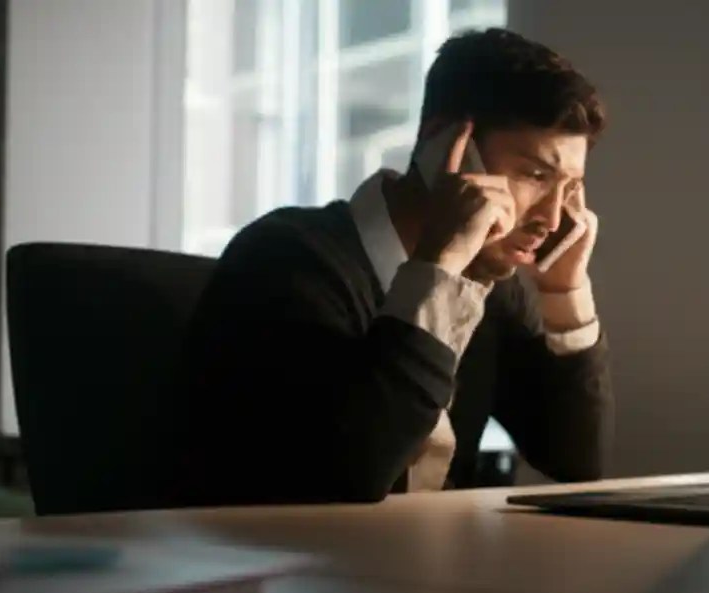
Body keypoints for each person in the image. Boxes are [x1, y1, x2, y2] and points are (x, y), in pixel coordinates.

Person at [163, 28, 612, 505]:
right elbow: (346, 477)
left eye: (569, 187)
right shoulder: (287, 259)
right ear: (443, 146)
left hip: (424, 565)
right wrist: (438, 270)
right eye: (535, 175)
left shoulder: (492, 288)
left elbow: (576, 461)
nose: (552, 217)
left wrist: (566, 293)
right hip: (293, 565)